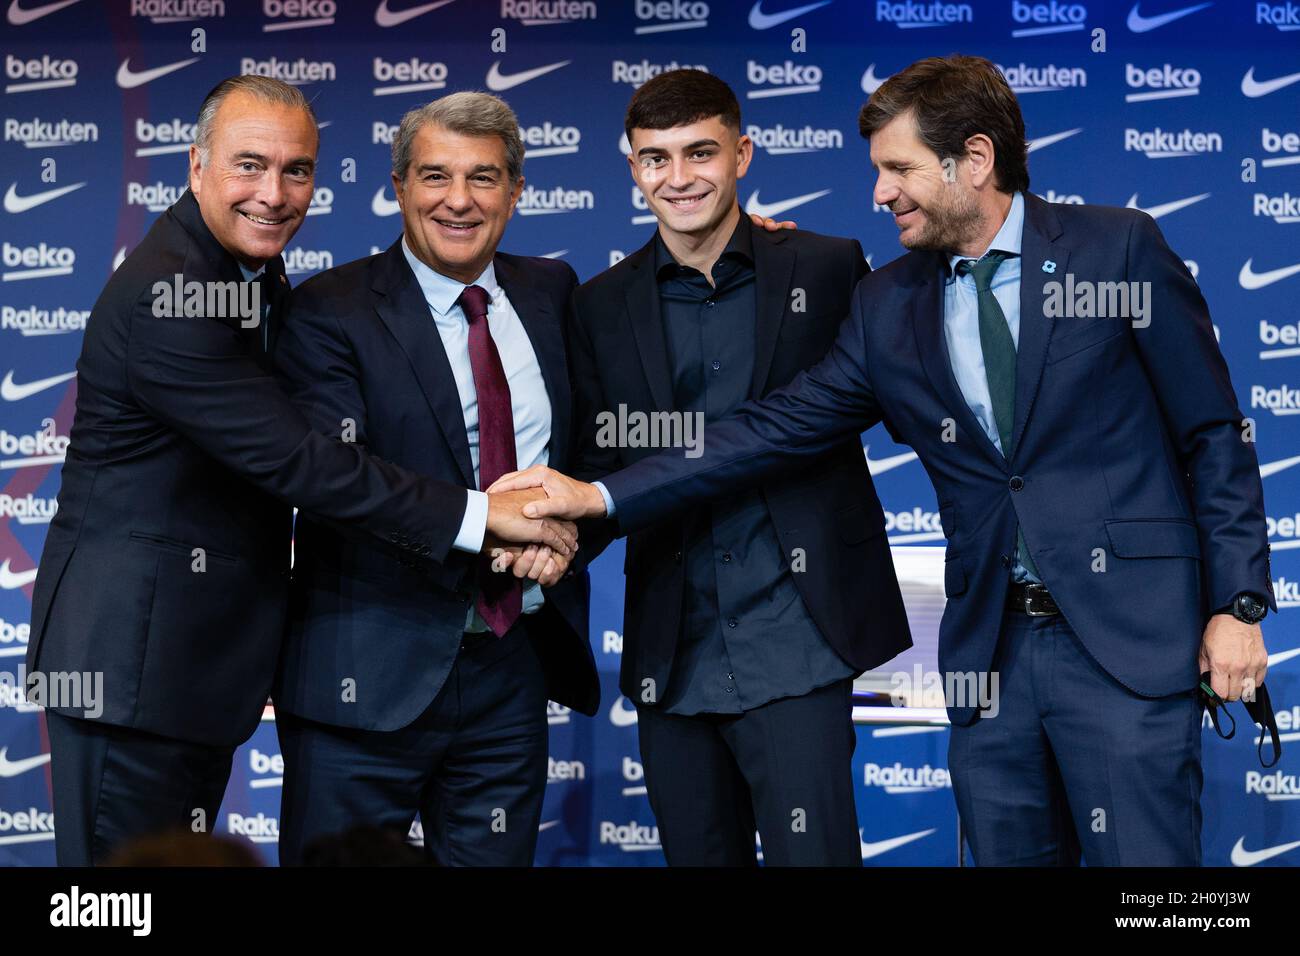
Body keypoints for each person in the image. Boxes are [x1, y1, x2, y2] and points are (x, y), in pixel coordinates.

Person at [492, 55, 1274, 866]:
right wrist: (599, 497)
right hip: (989, 658)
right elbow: (772, 428)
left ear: (973, 160)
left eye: (898, 169)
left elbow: (1214, 434)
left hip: (1127, 642)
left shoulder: (1117, 251)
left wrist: (1239, 604)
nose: (880, 193)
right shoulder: (886, 302)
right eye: (879, 171)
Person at [25, 76, 572, 867]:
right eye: (250, 166)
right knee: (119, 905)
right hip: (131, 669)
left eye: (296, 171)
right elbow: (300, 462)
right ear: (195, 167)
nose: (274, 194)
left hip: (190, 668)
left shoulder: (248, 272)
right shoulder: (173, 293)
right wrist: (481, 517)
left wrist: (734, 244)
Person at [521, 70, 910, 866]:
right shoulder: (597, 306)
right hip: (673, 649)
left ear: (742, 153)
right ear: (632, 170)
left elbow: (889, 397)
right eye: (655, 158)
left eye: (700, 152)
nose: (679, 177)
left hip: (800, 636)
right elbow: (599, 466)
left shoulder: (829, 268)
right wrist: (547, 543)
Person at [271, 92, 599, 867]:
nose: (459, 200)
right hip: (365, 674)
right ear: (398, 185)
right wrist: (488, 518)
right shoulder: (329, 309)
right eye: (435, 177)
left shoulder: (554, 292)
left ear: (517, 191)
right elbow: (334, 479)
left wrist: (560, 530)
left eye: (484, 178)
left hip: (511, 671)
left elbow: (593, 442)